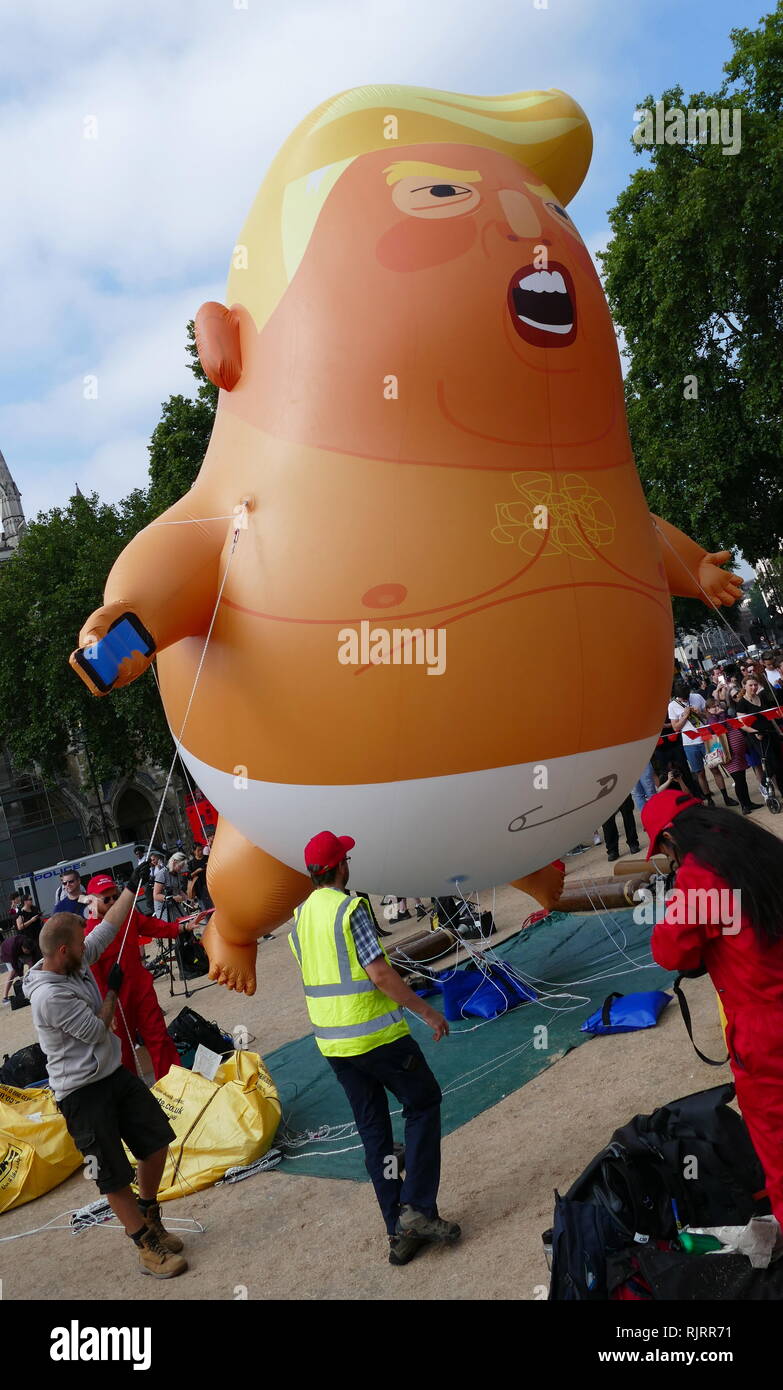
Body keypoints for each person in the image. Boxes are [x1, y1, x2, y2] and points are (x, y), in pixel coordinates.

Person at [290, 830, 460, 1266]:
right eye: (347, 857)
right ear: (341, 866)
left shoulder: (301, 917)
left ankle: (397, 1229)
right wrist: (428, 1013)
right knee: (422, 1102)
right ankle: (417, 1209)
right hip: (377, 1036)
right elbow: (379, 974)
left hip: (334, 1044)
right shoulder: (351, 908)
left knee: (374, 1132)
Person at [23, 869, 187, 1279]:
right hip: (81, 1093)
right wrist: (112, 989)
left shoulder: (72, 961)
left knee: (156, 1139)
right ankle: (144, 1245)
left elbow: (109, 927)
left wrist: (132, 886)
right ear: (63, 951)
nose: (88, 945)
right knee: (111, 1173)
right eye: (80, 943)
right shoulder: (49, 996)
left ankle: (148, 1210)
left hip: (111, 1075)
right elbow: (99, 1030)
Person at [642, 788, 783, 1235]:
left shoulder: (700, 873)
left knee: (778, 1149)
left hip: (766, 1029)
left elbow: (671, 950)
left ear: (669, 836)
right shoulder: (754, 846)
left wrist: (673, 897)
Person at [84, 873, 189, 1080]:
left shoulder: (128, 915)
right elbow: (94, 978)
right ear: (92, 901)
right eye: (107, 899)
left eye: (116, 896)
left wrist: (181, 927)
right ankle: (133, 1098)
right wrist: (105, 1008)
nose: (114, 902)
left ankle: (174, 1085)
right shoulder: (90, 934)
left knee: (159, 1037)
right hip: (115, 999)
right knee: (122, 1052)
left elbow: (153, 926)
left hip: (140, 989)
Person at [703, 698, 761, 815]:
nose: (717, 707)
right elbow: (719, 728)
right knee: (738, 780)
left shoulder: (723, 715)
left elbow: (735, 725)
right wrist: (721, 714)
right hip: (728, 755)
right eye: (713, 706)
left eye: (718, 705)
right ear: (708, 709)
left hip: (738, 753)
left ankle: (748, 802)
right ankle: (744, 806)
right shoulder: (712, 719)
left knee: (742, 779)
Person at [736, 675, 783, 796]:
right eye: (750, 685)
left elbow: (770, 717)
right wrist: (755, 732)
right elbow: (741, 724)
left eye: (755, 685)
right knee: (772, 763)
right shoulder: (742, 703)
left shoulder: (762, 697)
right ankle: (764, 784)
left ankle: (779, 789)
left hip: (771, 732)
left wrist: (779, 731)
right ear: (744, 686)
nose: (753, 687)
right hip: (757, 737)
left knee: (779, 763)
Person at [1, 930, 40, 1003]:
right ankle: (5, 997)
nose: (28, 953)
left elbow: (33, 957)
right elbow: (15, 963)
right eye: (27, 951)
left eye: (29, 951)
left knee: (31, 963)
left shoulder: (29, 944)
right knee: (13, 972)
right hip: (6, 952)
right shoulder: (13, 948)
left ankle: (32, 986)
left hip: (18, 952)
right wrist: (21, 976)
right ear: (23, 947)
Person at [601, 794, 641, 863]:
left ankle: (633, 843)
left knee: (628, 814)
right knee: (607, 820)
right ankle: (612, 850)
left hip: (621, 789)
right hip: (602, 794)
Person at [153, 852, 190, 921]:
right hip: (164, 909)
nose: (181, 869)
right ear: (174, 862)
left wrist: (187, 899)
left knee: (185, 921)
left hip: (175, 905)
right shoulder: (162, 874)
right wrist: (173, 898)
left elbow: (178, 890)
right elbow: (156, 895)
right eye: (180, 866)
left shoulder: (177, 873)